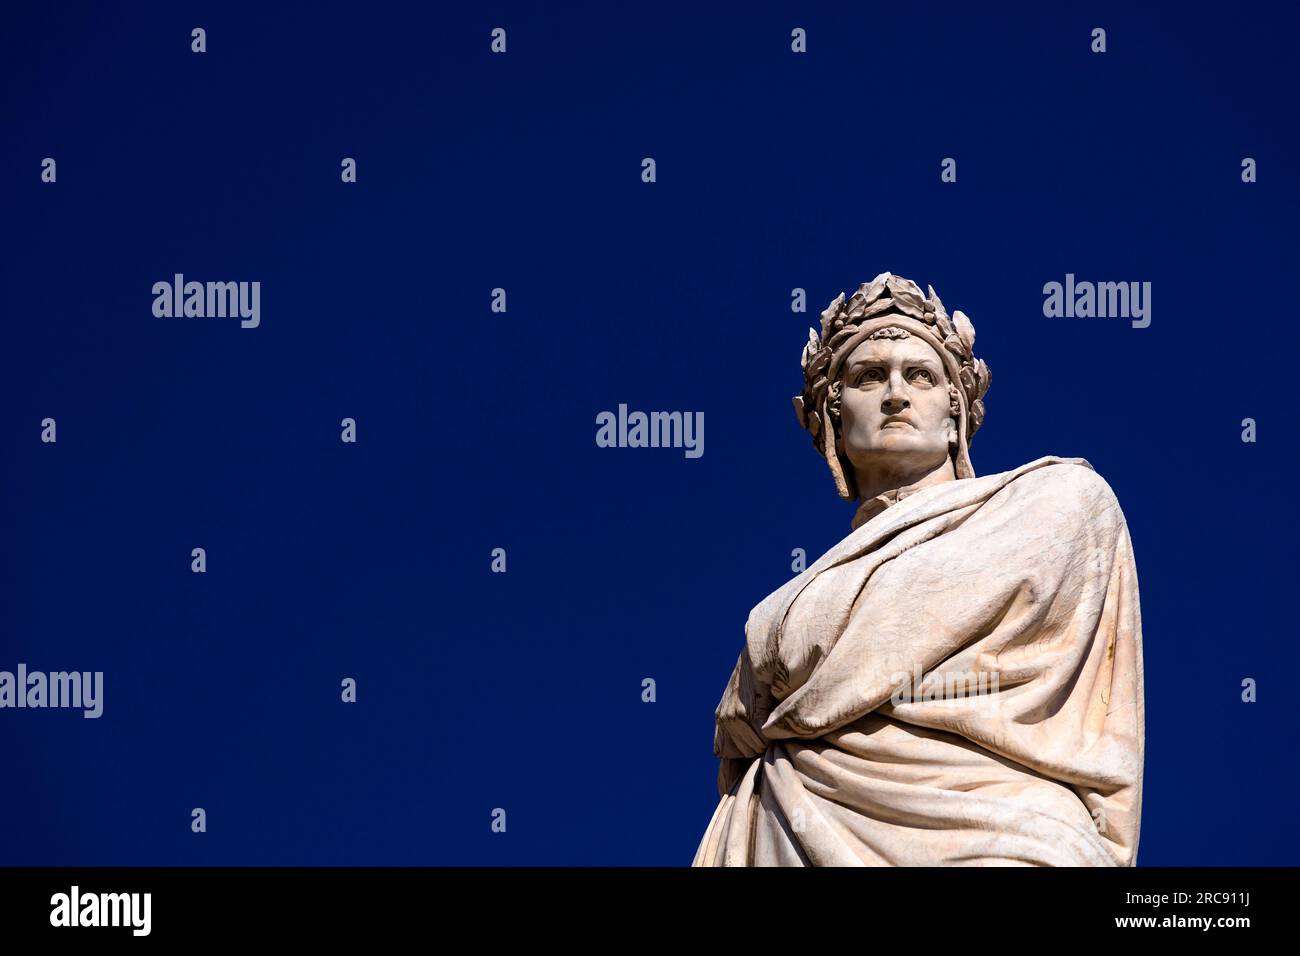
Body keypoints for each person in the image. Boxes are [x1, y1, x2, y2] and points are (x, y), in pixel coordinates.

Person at [692, 273, 1145, 866]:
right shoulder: (796, 595)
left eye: (920, 375)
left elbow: (833, 655)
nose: (895, 394)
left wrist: (772, 667)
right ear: (833, 420)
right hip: (795, 822)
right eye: (869, 376)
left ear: (955, 414)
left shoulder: (1055, 500)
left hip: (998, 828)